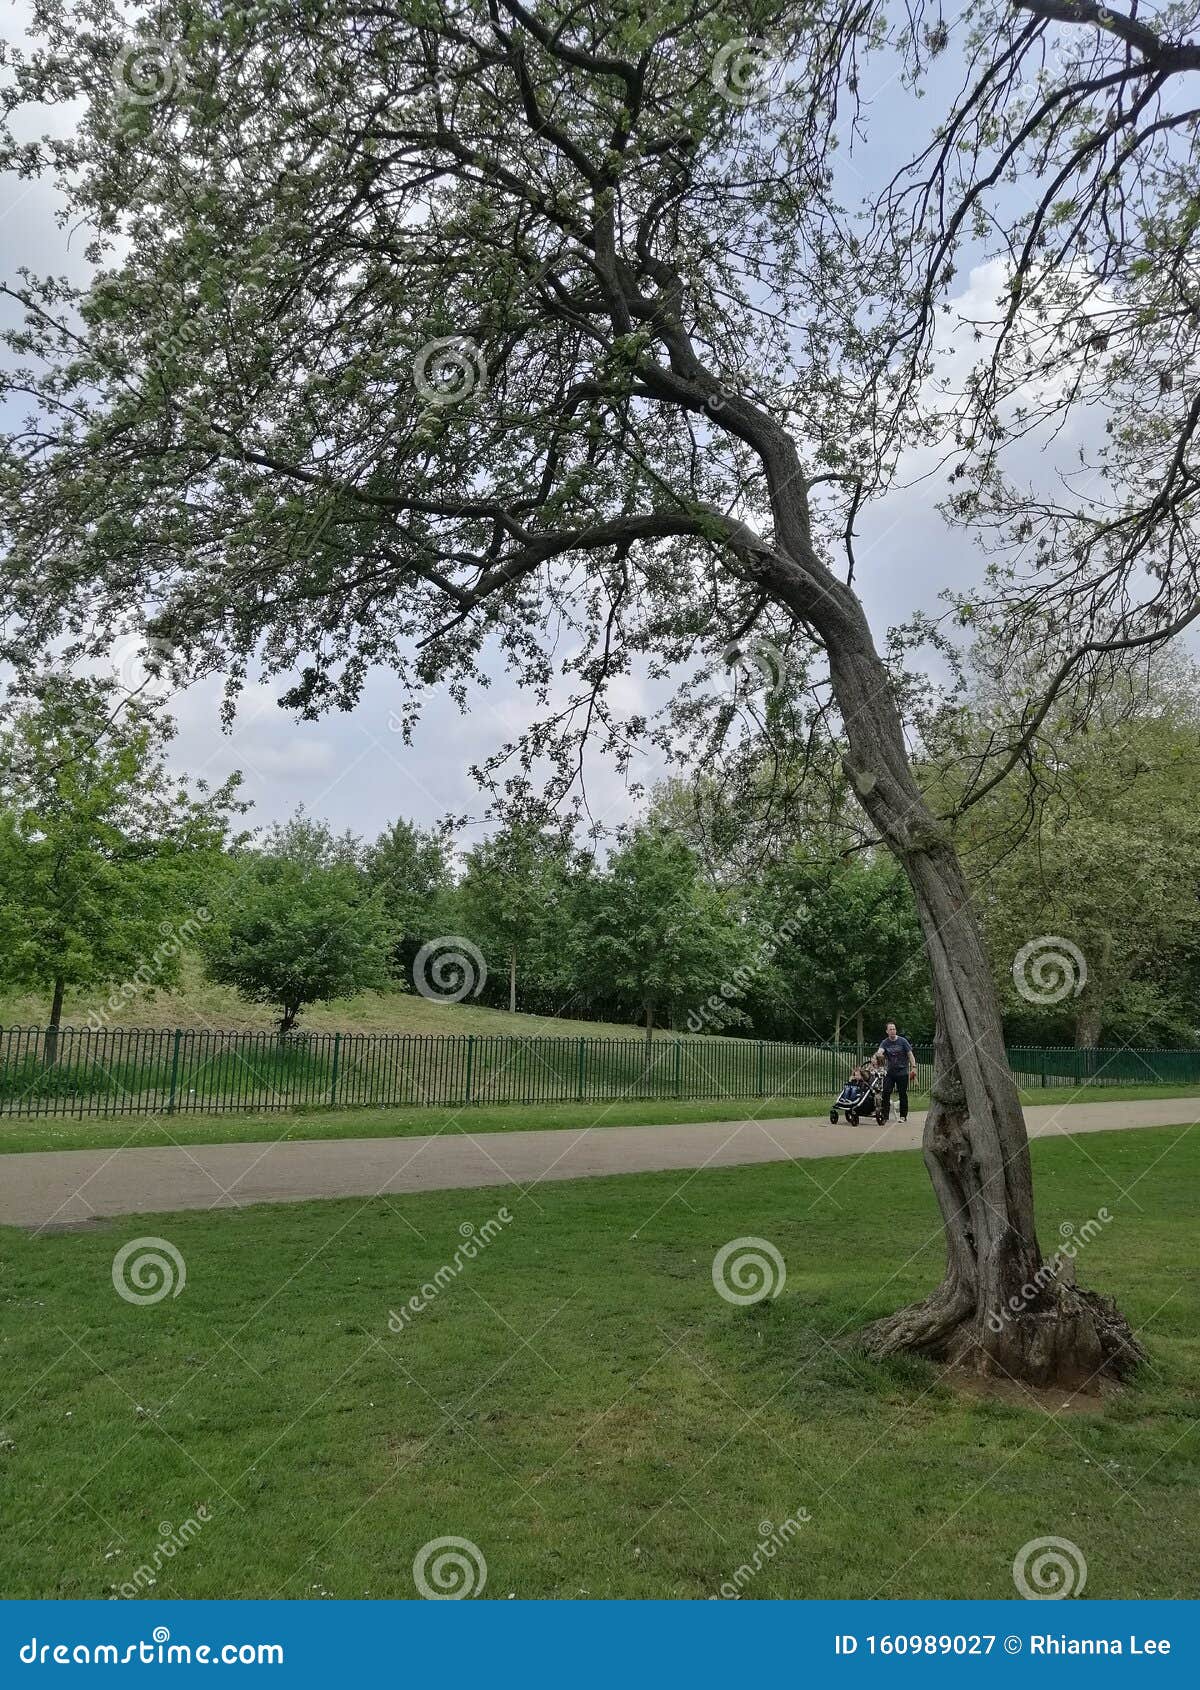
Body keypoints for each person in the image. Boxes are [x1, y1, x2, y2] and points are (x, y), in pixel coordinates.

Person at [875, 1021, 917, 1122]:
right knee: (886, 1092)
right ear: (887, 1031)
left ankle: (903, 1116)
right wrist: (878, 1056)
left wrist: (914, 1067)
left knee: (902, 1093)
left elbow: (910, 1054)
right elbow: (880, 1052)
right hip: (890, 1072)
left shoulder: (902, 1041)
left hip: (902, 1072)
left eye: (894, 1029)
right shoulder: (885, 1042)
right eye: (890, 1029)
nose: (893, 1031)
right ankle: (885, 1116)